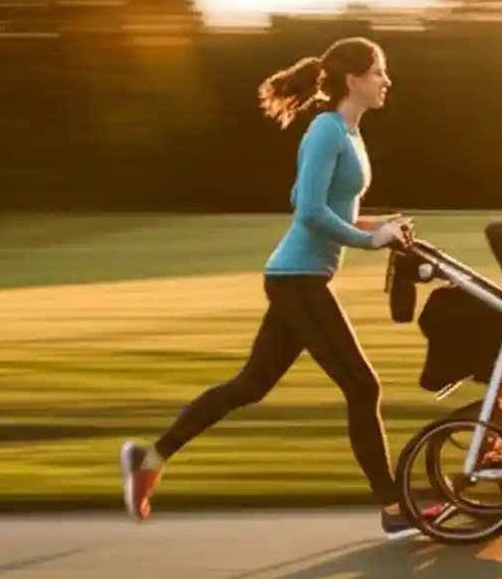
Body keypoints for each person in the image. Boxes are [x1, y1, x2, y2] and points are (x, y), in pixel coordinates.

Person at [119, 36, 441, 536]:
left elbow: (319, 202)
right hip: (297, 280)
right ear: (354, 79)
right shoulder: (325, 131)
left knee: (251, 385)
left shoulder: (349, 134)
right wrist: (368, 239)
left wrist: (383, 225)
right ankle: (395, 508)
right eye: (378, 72)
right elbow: (308, 211)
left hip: (302, 279)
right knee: (363, 385)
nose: (386, 81)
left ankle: (150, 457)